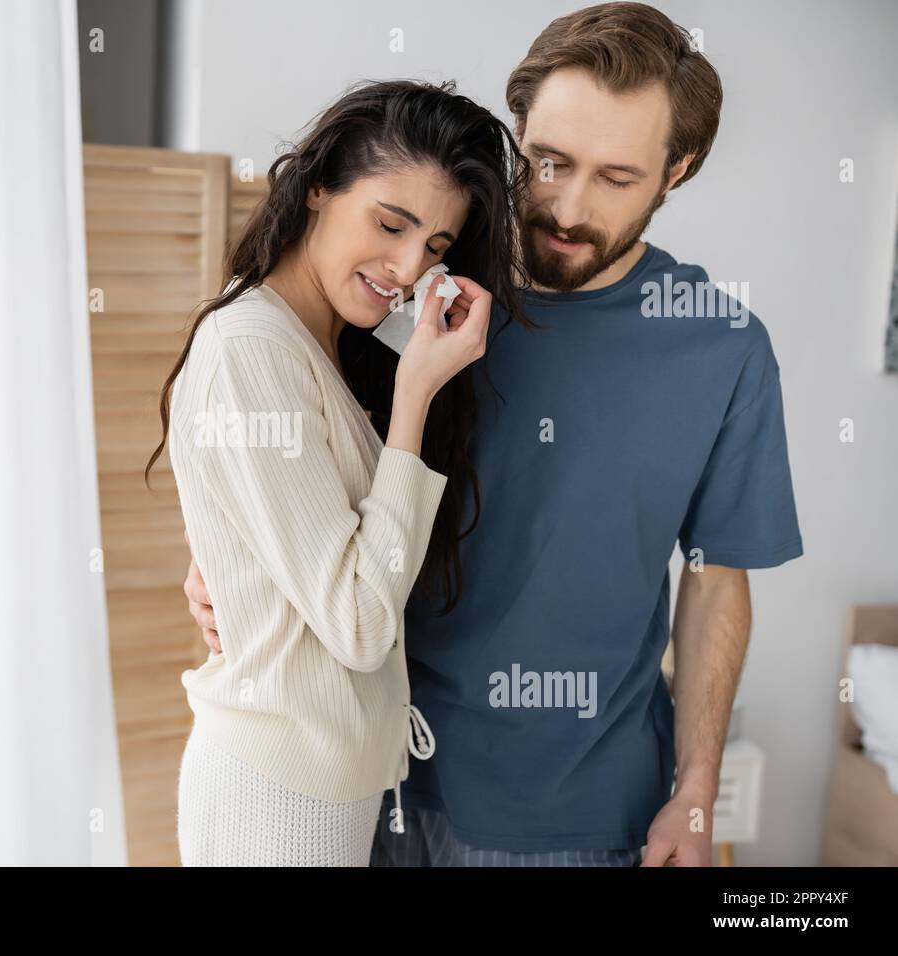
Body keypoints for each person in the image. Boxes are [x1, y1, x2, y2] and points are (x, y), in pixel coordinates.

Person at [184, 2, 804, 867]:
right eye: (548, 161)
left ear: (680, 168)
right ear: (518, 131)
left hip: (577, 813)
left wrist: (697, 788)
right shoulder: (406, 291)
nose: (567, 205)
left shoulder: (721, 346)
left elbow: (716, 580)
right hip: (374, 781)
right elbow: (299, 454)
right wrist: (228, 551)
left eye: (617, 177)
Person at [148, 78, 530, 865]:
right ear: (318, 188)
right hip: (273, 793)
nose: (404, 265)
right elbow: (358, 623)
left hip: (318, 786)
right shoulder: (253, 347)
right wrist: (417, 396)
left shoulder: (325, 346)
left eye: (435, 247)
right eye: (390, 224)